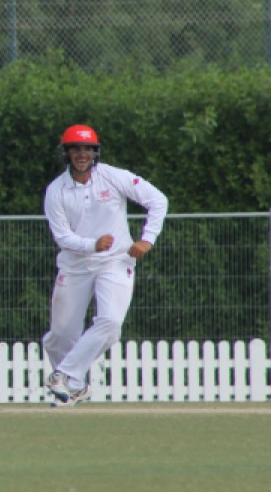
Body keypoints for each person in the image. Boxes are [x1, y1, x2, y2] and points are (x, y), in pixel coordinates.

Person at [42, 124, 168, 407]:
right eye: (76, 150)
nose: (82, 155)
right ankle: (75, 388)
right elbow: (62, 237)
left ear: (95, 153)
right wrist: (91, 244)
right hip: (75, 265)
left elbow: (158, 200)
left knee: (110, 323)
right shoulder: (56, 191)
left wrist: (147, 239)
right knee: (61, 335)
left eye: (87, 149)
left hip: (115, 260)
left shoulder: (113, 177)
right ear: (67, 154)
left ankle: (63, 376)